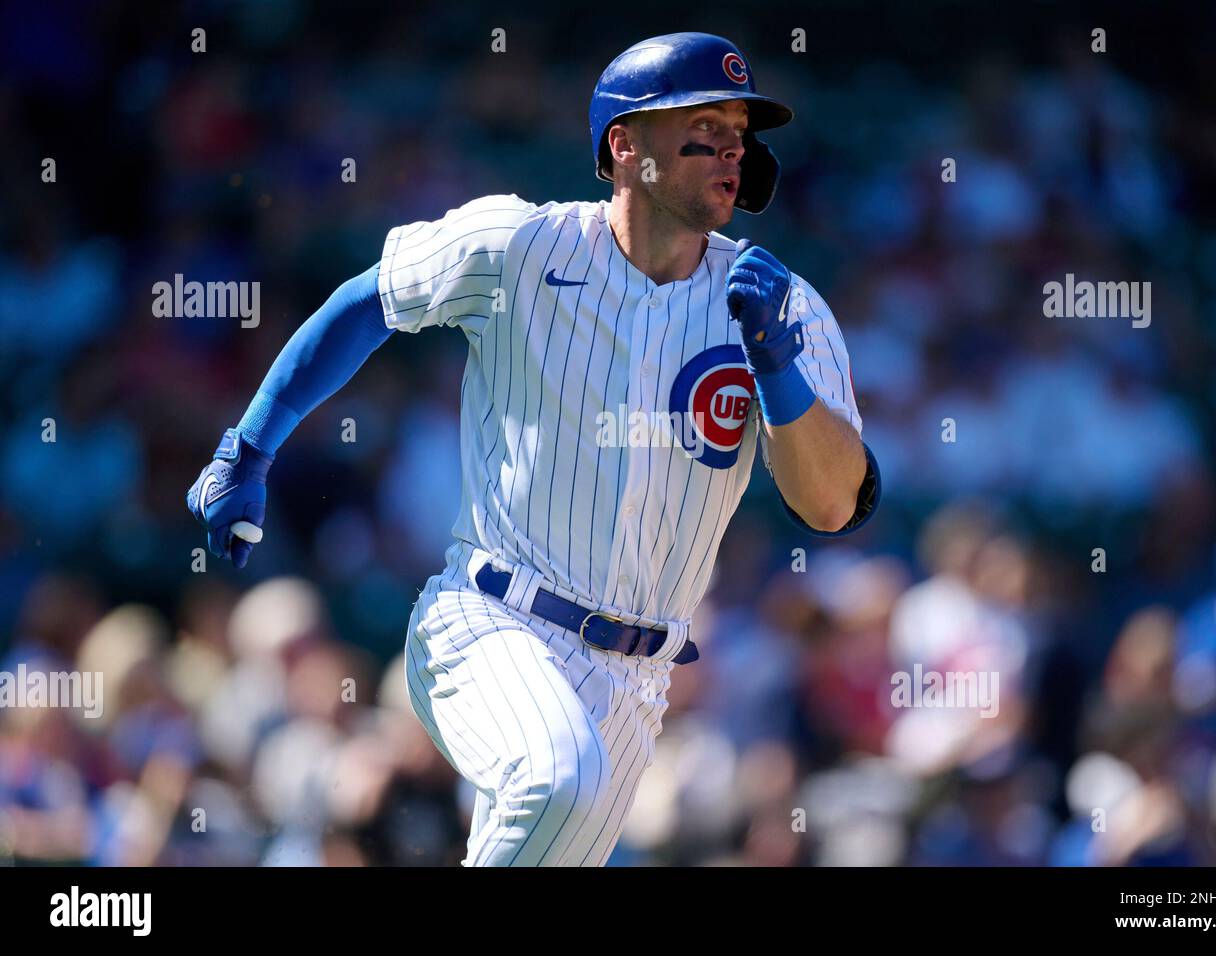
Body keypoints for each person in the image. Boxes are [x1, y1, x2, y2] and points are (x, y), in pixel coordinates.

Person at [187, 32, 880, 866]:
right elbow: (367, 302)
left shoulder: (782, 307)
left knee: (554, 805)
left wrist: (779, 369)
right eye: (704, 127)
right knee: (560, 781)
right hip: (491, 620)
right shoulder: (520, 245)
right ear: (625, 146)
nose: (732, 149)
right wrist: (249, 448)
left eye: (740, 132)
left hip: (640, 682)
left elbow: (833, 502)